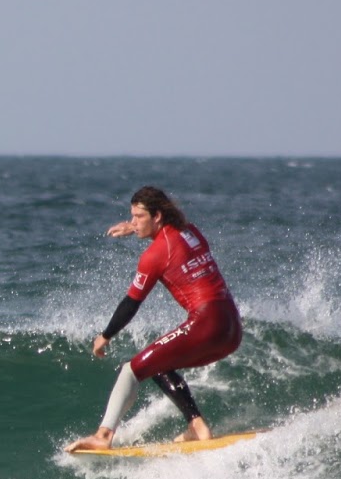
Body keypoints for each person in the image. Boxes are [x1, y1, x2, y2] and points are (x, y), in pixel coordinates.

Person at [66, 186, 243, 452]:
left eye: (138, 217)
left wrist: (105, 336)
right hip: (230, 329)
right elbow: (173, 244)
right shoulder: (191, 231)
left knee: (131, 370)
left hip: (205, 324)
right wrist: (136, 229)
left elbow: (131, 304)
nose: (133, 222)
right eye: (132, 217)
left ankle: (102, 436)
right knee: (159, 362)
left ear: (157, 216)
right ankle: (197, 426)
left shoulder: (155, 255)